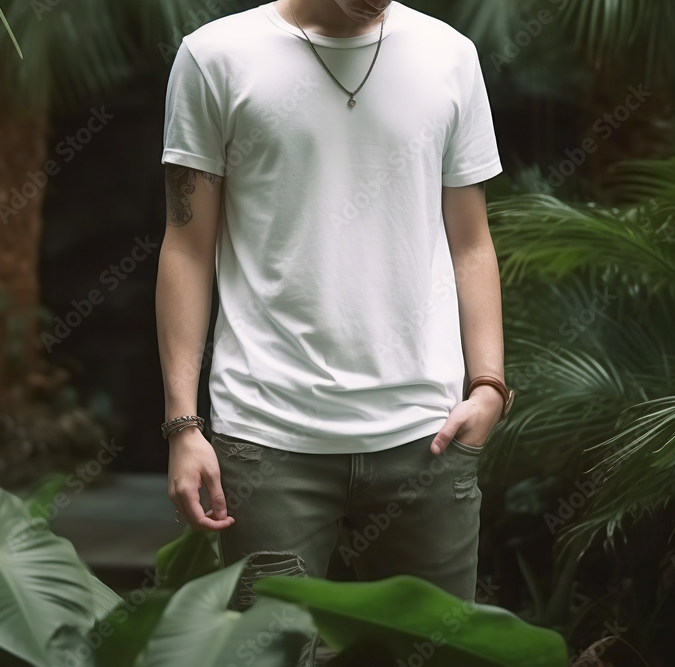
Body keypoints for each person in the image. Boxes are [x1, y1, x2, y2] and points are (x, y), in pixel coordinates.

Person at [157, 0, 512, 615]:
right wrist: (182, 426)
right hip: (266, 435)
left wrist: (488, 387)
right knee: (269, 660)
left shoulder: (451, 55)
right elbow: (187, 247)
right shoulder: (214, 57)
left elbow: (472, 242)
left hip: (427, 432)